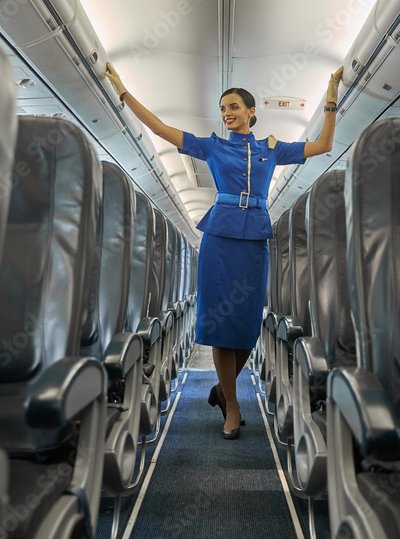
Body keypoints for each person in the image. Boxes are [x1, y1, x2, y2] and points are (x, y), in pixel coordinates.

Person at [104, 62, 343, 439]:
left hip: (254, 241)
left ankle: (221, 389)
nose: (227, 114)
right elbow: (159, 129)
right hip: (219, 238)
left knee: (246, 325)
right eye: (222, 109)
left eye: (233, 107)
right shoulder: (212, 147)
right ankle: (232, 405)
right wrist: (123, 93)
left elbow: (325, 145)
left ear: (251, 112)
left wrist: (331, 100)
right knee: (219, 323)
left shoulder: (272, 149)